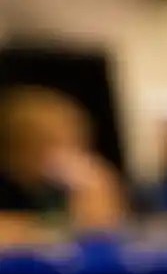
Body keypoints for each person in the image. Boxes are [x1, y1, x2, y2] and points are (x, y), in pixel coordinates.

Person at [0, 86, 125, 243]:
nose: (70, 156)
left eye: (75, 142)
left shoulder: (70, 184)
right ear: (18, 150)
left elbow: (103, 226)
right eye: (53, 142)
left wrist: (98, 187)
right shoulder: (8, 184)